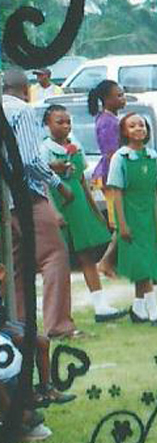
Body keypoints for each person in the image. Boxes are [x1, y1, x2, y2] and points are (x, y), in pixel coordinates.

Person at [2, 69, 76, 339]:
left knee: (16, 266)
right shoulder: (21, 110)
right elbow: (30, 161)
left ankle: (19, 325)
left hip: (3, 201)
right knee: (54, 256)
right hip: (26, 197)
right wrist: (58, 184)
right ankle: (58, 325)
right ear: (26, 88)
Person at [41, 104, 122, 323]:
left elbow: (81, 182)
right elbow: (43, 183)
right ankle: (60, 312)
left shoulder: (75, 146)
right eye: (60, 122)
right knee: (60, 261)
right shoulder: (45, 149)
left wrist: (94, 210)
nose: (66, 126)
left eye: (68, 122)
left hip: (78, 204)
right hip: (59, 205)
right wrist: (54, 211)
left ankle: (100, 305)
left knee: (86, 255)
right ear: (47, 124)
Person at [105, 112, 157, 326]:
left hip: (149, 215)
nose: (138, 128)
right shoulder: (121, 157)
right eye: (132, 126)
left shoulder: (153, 156)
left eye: (141, 125)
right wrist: (122, 224)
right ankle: (154, 312)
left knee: (146, 263)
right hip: (130, 215)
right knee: (142, 264)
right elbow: (117, 192)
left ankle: (138, 310)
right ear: (124, 132)